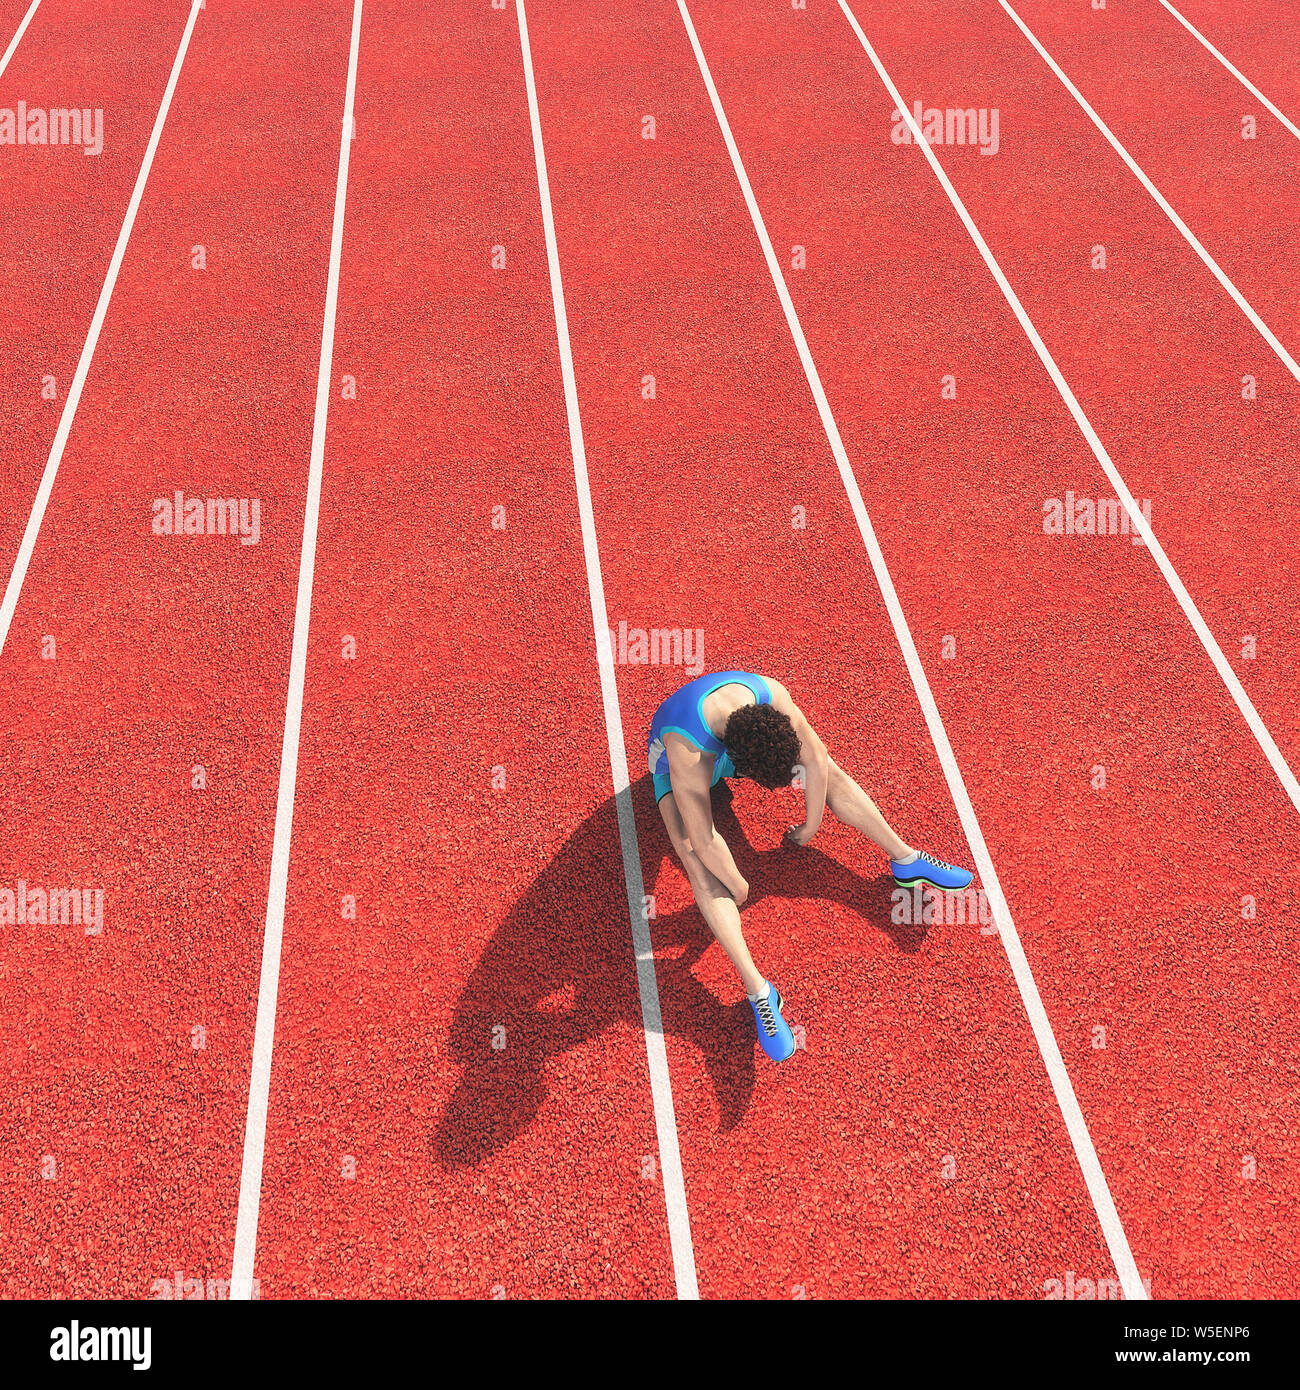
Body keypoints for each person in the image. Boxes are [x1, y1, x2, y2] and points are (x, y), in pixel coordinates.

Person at [648, 670, 974, 1062]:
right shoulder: (687, 754)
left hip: (728, 745)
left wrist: (810, 824)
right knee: (694, 860)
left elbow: (816, 760)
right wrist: (738, 885)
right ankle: (760, 992)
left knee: (832, 770)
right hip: (675, 765)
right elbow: (705, 840)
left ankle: (906, 858)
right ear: (736, 762)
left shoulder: (771, 693)